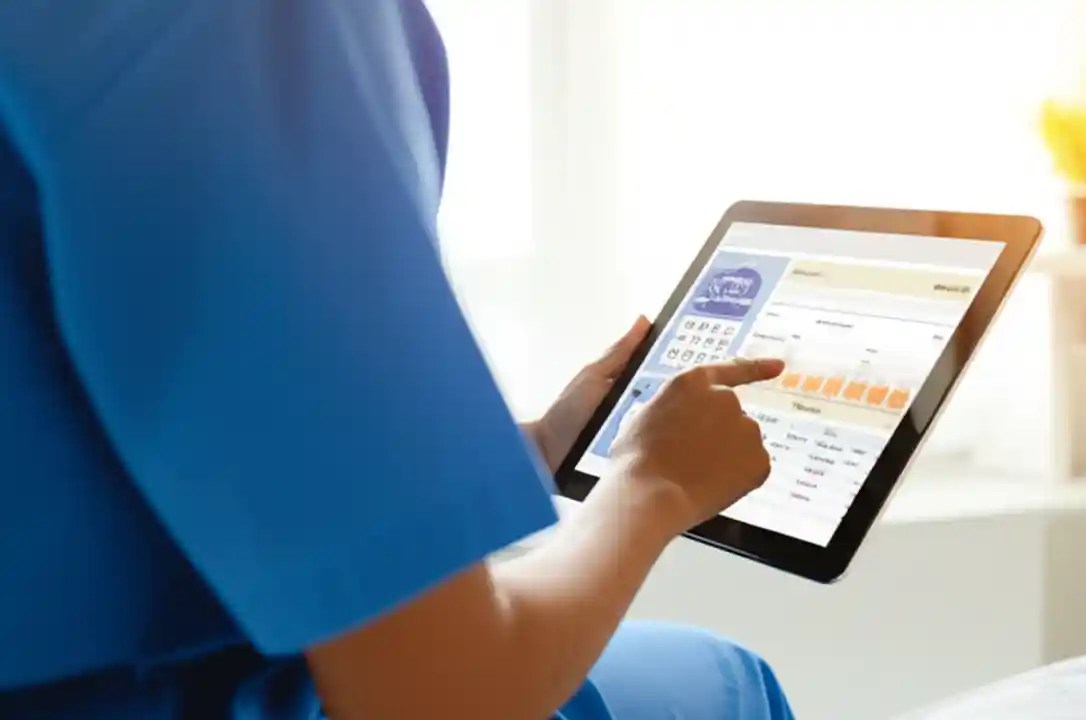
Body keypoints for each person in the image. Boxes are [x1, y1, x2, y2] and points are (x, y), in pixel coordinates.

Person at [0, 2, 794, 719]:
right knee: (722, 684)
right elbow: (439, 698)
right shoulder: (257, 26)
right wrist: (655, 485)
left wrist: (542, 446)